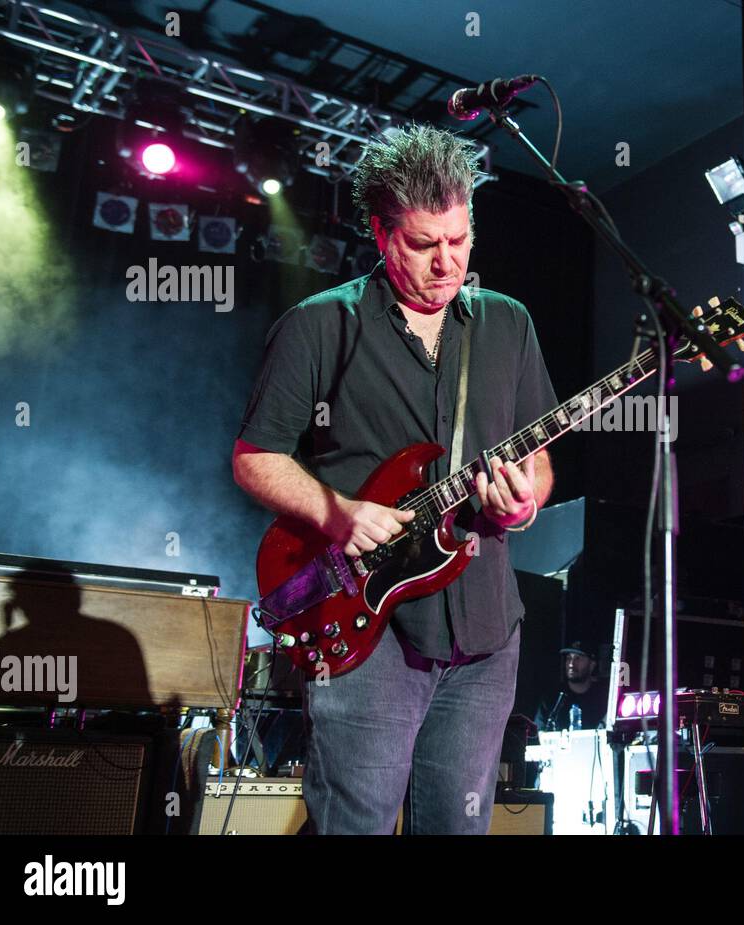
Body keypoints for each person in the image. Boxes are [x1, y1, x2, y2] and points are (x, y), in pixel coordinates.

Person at [232, 123, 557, 834]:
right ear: (380, 234)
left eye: (460, 239)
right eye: (423, 243)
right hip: (366, 627)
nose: (447, 262)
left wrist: (523, 504)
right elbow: (255, 456)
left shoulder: (508, 324)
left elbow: (538, 458)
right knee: (358, 821)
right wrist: (339, 512)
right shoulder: (319, 326)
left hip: (484, 627)